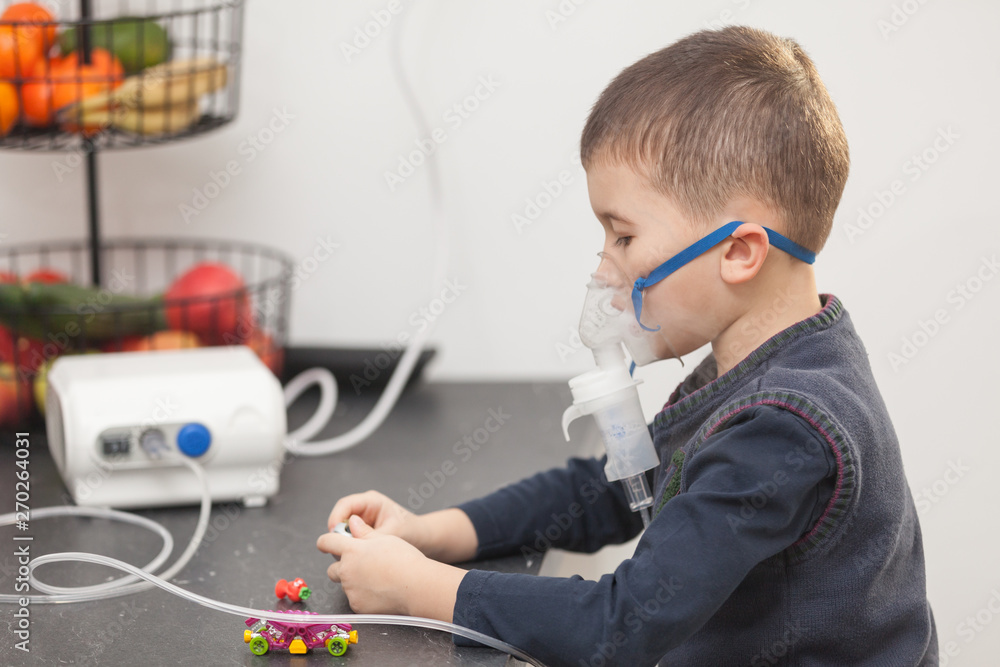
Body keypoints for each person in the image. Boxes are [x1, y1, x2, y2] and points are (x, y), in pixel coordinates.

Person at [316, 25, 938, 666]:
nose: (604, 270)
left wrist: (418, 588)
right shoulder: (769, 366)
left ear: (739, 252)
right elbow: (618, 486)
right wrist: (428, 534)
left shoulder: (782, 427)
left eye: (623, 237)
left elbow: (621, 626)